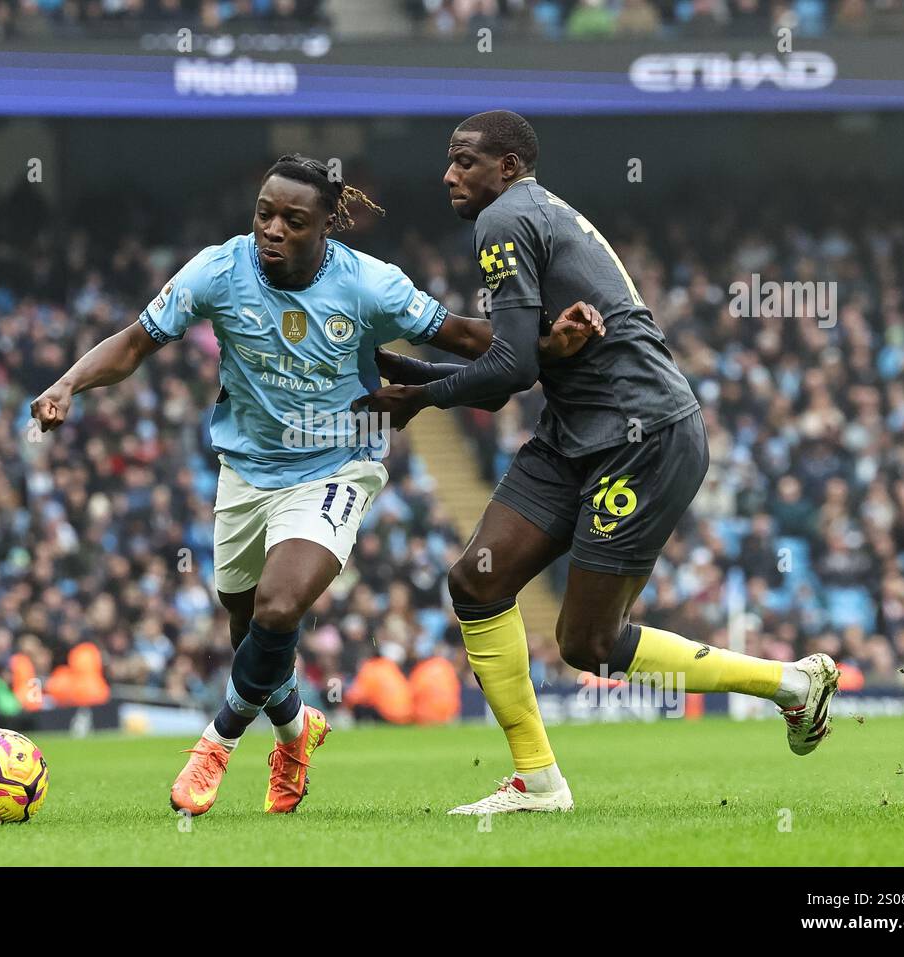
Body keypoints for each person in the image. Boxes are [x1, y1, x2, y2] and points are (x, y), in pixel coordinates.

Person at [31, 153, 602, 816]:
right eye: (264, 214)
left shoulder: (368, 284)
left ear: (328, 225)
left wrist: (546, 343)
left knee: (278, 608)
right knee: (251, 631)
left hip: (336, 465)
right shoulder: (219, 269)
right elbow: (135, 341)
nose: (272, 229)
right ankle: (296, 734)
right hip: (246, 470)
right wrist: (67, 383)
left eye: (293, 220)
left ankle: (216, 741)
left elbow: (465, 335)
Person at [360, 111, 841, 815]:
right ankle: (538, 781)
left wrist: (416, 396)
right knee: (475, 582)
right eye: (449, 161)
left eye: (465, 161)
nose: (449, 174)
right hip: (574, 432)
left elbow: (510, 371)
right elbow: (525, 349)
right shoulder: (536, 214)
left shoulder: (503, 220)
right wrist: (410, 368)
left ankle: (791, 684)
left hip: (641, 436)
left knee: (589, 642)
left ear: (507, 167)